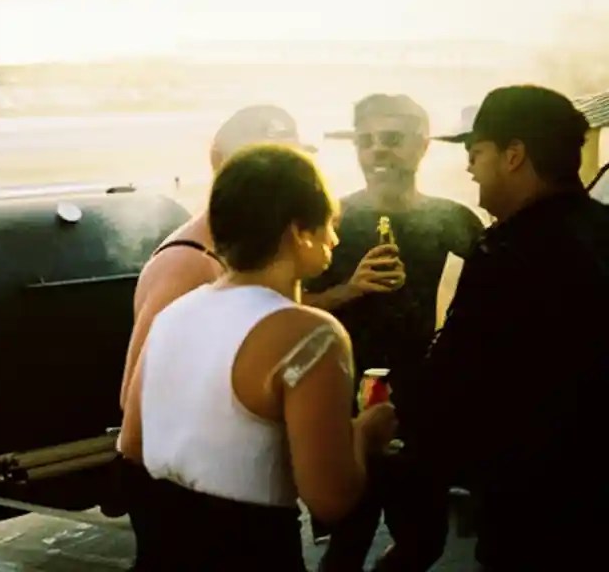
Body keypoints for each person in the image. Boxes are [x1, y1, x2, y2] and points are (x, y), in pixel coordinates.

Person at [130, 143, 399, 570]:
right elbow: (331, 500)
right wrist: (364, 433)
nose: (335, 238)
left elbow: (133, 443)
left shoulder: (174, 314)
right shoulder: (311, 336)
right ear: (298, 231)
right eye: (329, 223)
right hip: (250, 553)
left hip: (160, 553)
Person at [403, 85, 609, 571]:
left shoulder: (506, 253)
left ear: (514, 155)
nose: (470, 167)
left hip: (535, 510)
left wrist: (394, 419)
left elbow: (457, 377)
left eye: (477, 153)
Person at [114, 105, 308, 562]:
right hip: (194, 508)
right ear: (218, 163)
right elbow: (136, 402)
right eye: (256, 166)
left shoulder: (243, 260)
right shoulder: (192, 262)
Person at [304, 94, 484, 571]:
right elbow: (287, 308)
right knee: (346, 542)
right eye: (366, 141)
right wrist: (350, 289)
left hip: (421, 408)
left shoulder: (453, 220)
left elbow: (488, 303)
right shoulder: (330, 221)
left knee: (424, 541)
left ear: (422, 146)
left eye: (392, 140)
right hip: (342, 403)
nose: (377, 151)